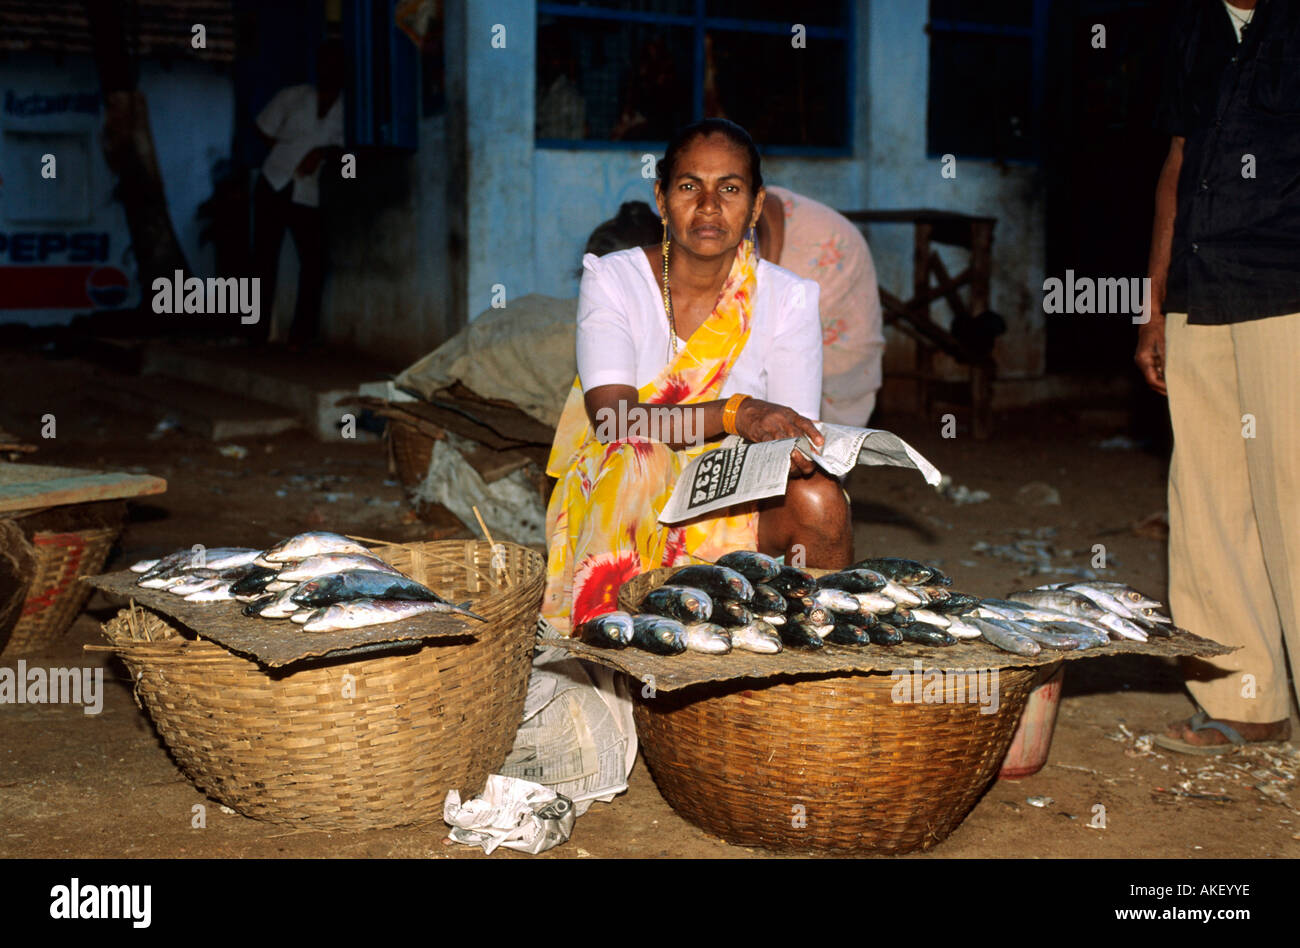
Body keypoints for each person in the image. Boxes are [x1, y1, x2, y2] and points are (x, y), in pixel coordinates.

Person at [544, 119, 853, 634]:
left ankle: (807, 652)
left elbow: (790, 441)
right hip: (626, 494)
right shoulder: (615, 279)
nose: (709, 207)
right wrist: (735, 412)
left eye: (729, 189)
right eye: (690, 187)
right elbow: (612, 420)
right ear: (662, 201)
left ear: (755, 207)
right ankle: (611, 629)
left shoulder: (788, 297)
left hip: (735, 499)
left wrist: (796, 446)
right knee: (639, 456)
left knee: (820, 496)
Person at [1137, 0, 1300, 753]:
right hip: (1202, 288)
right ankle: (1245, 697)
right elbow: (1179, 159)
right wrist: (1155, 299)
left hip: (1288, 289)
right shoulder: (1195, 25)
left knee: (1293, 496)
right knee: (1206, 497)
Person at [756, 186, 885, 427]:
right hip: (808, 249)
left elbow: (767, 205)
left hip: (823, 252)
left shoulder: (759, 210)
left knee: (805, 368)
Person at [252, 40, 345, 350]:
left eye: (336, 64)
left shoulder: (348, 109)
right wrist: (287, 156)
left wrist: (319, 152)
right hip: (273, 181)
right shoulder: (292, 97)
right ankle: (255, 332)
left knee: (314, 260)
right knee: (264, 258)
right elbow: (262, 130)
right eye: (325, 64)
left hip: (307, 191)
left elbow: (346, 150)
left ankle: (301, 334)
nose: (329, 70)